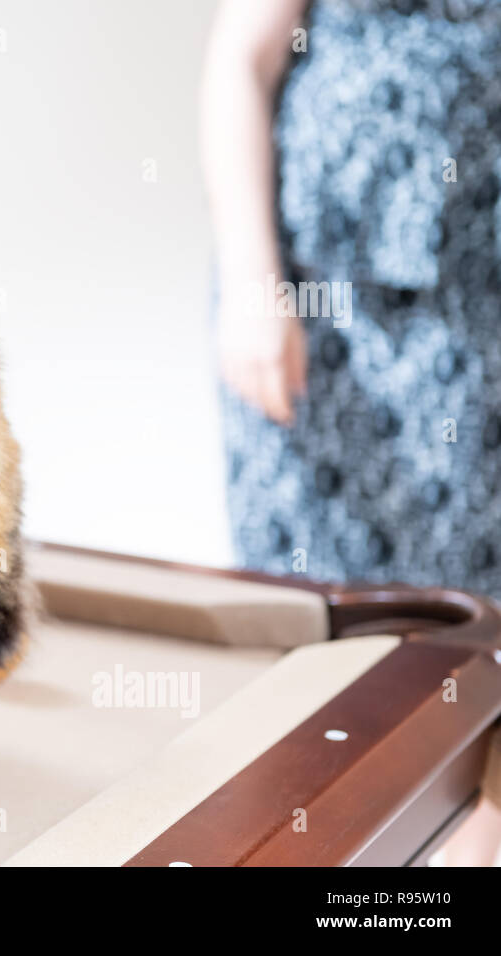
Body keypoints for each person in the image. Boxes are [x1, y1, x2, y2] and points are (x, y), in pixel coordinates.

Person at [202, 0, 501, 865]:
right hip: (322, 306)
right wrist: (252, 282)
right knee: (318, 629)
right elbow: (241, 61)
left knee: (483, 637)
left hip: (480, 310)